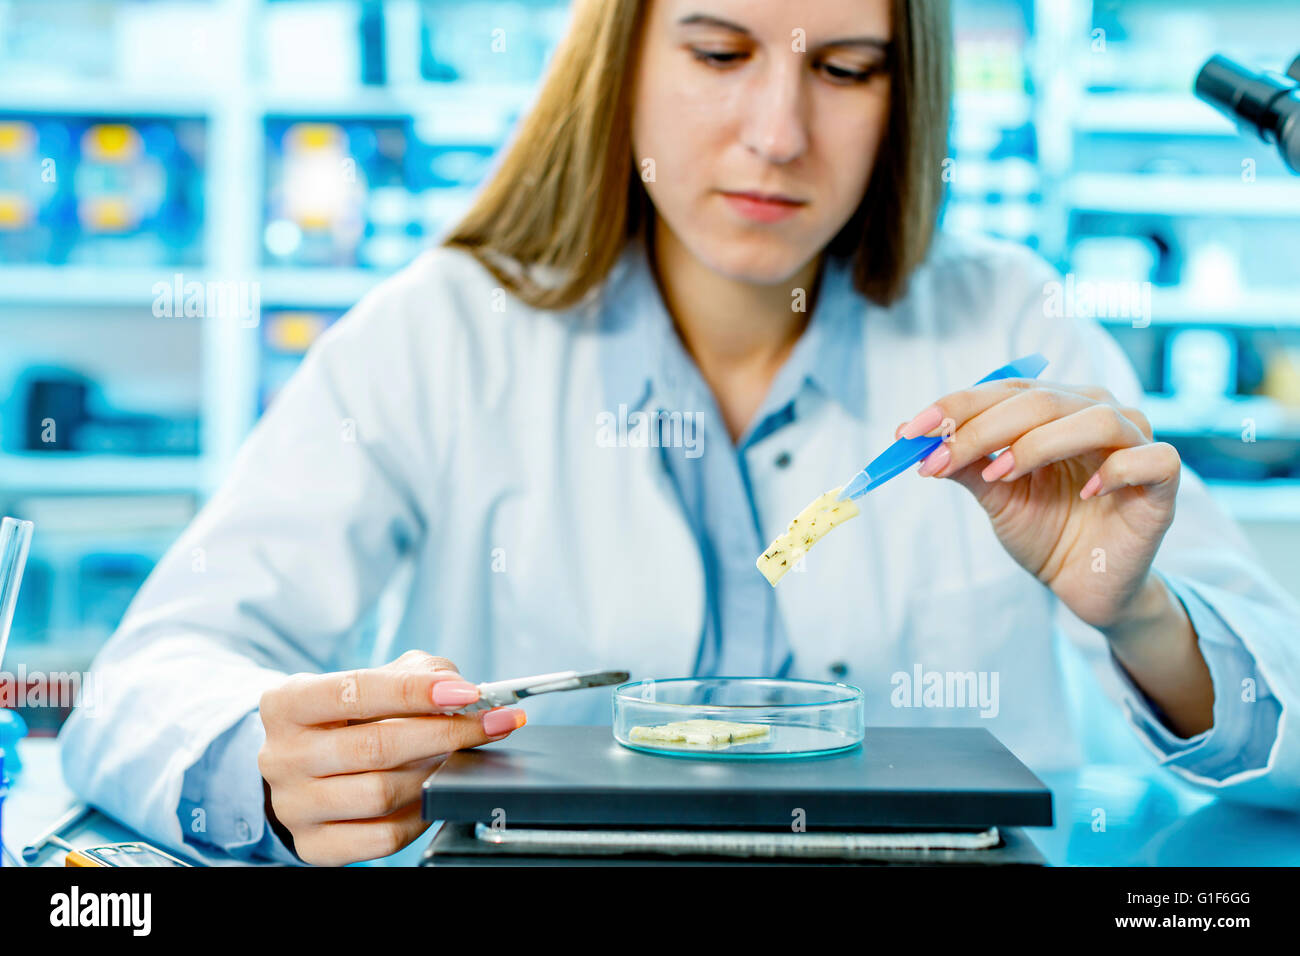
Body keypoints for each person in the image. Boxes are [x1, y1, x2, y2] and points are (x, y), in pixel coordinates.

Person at [60, 0, 1299, 866]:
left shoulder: (1012, 316)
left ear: (904, 94)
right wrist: (270, 764)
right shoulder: (444, 328)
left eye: (846, 69)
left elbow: (1280, 723)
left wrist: (1140, 617)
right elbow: (150, 678)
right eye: (718, 50)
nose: (777, 132)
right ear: (623, 60)